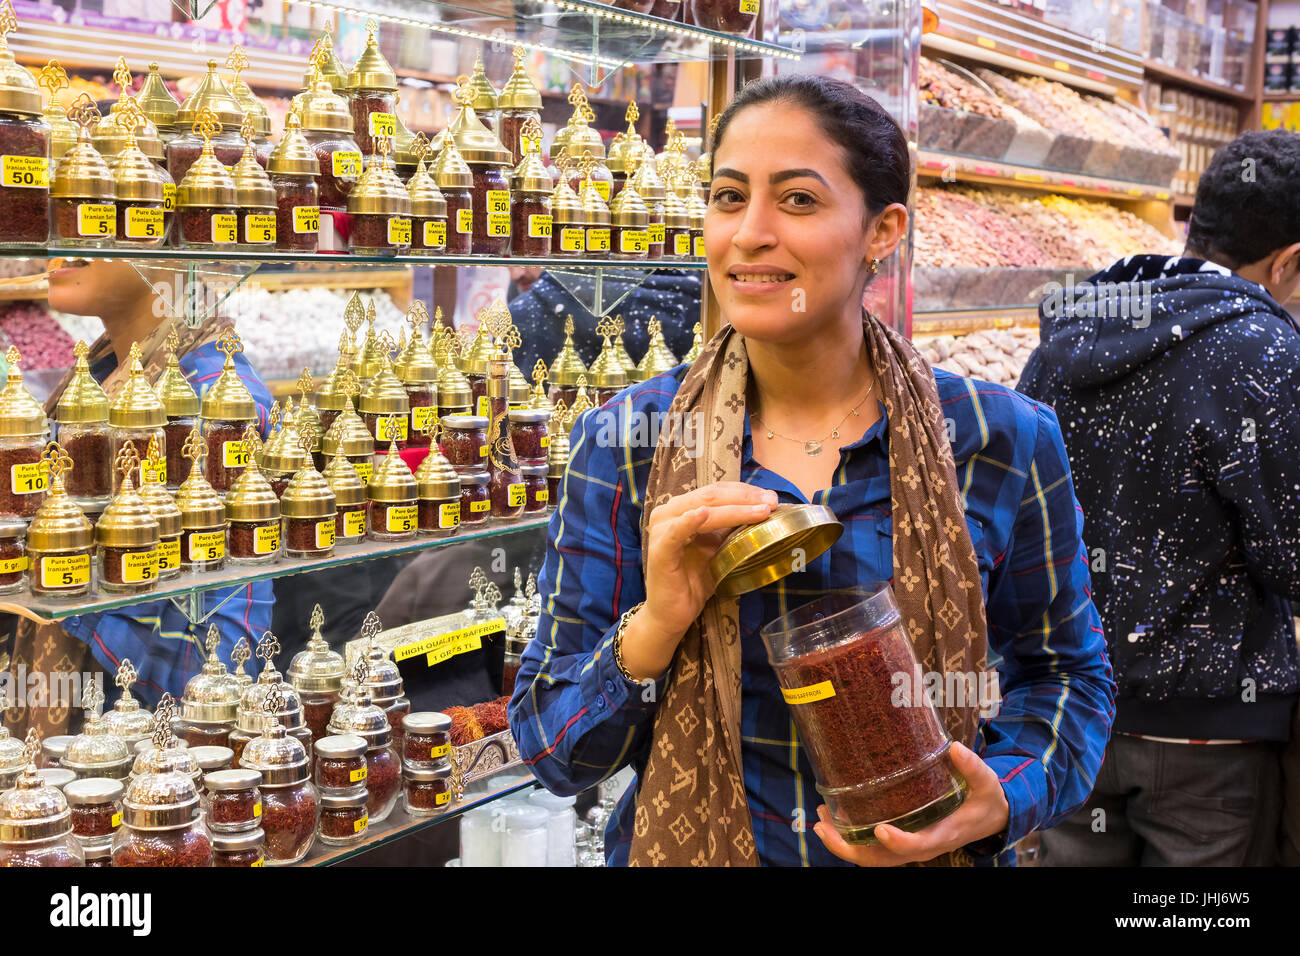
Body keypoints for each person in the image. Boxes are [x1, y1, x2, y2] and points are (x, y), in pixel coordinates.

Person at [508, 75, 1115, 867]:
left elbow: (1067, 674)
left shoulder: (1001, 437)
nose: (750, 233)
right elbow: (554, 753)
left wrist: (999, 795)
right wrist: (655, 629)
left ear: (882, 230)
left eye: (797, 200)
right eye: (729, 197)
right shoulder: (629, 441)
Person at [1018, 129, 1300, 867]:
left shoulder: (1068, 332)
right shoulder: (1266, 350)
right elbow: (1290, 555)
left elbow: (1020, 521)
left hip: (1070, 716)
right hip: (1208, 737)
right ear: (1290, 260)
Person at [41, 257, 274, 707]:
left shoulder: (214, 395)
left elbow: (209, 646)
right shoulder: (105, 367)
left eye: (107, 201)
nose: (64, 254)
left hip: (158, 712)